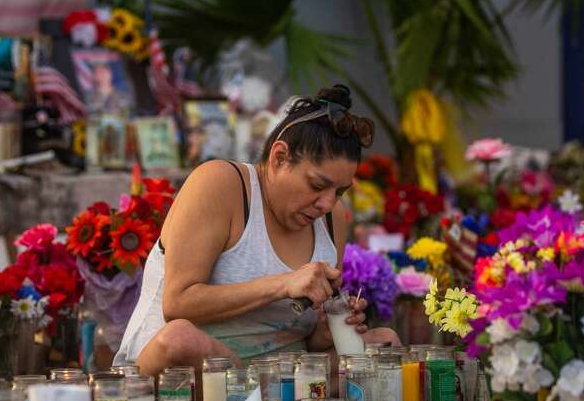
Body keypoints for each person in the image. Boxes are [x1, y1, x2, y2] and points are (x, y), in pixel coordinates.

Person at [114, 84, 401, 375]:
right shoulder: (221, 184)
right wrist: (284, 284)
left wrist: (326, 332)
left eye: (339, 192)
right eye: (317, 185)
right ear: (278, 158)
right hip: (199, 367)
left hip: (283, 373)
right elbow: (177, 304)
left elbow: (310, 344)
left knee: (385, 343)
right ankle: (257, 398)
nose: (327, 203)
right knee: (180, 340)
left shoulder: (332, 218)